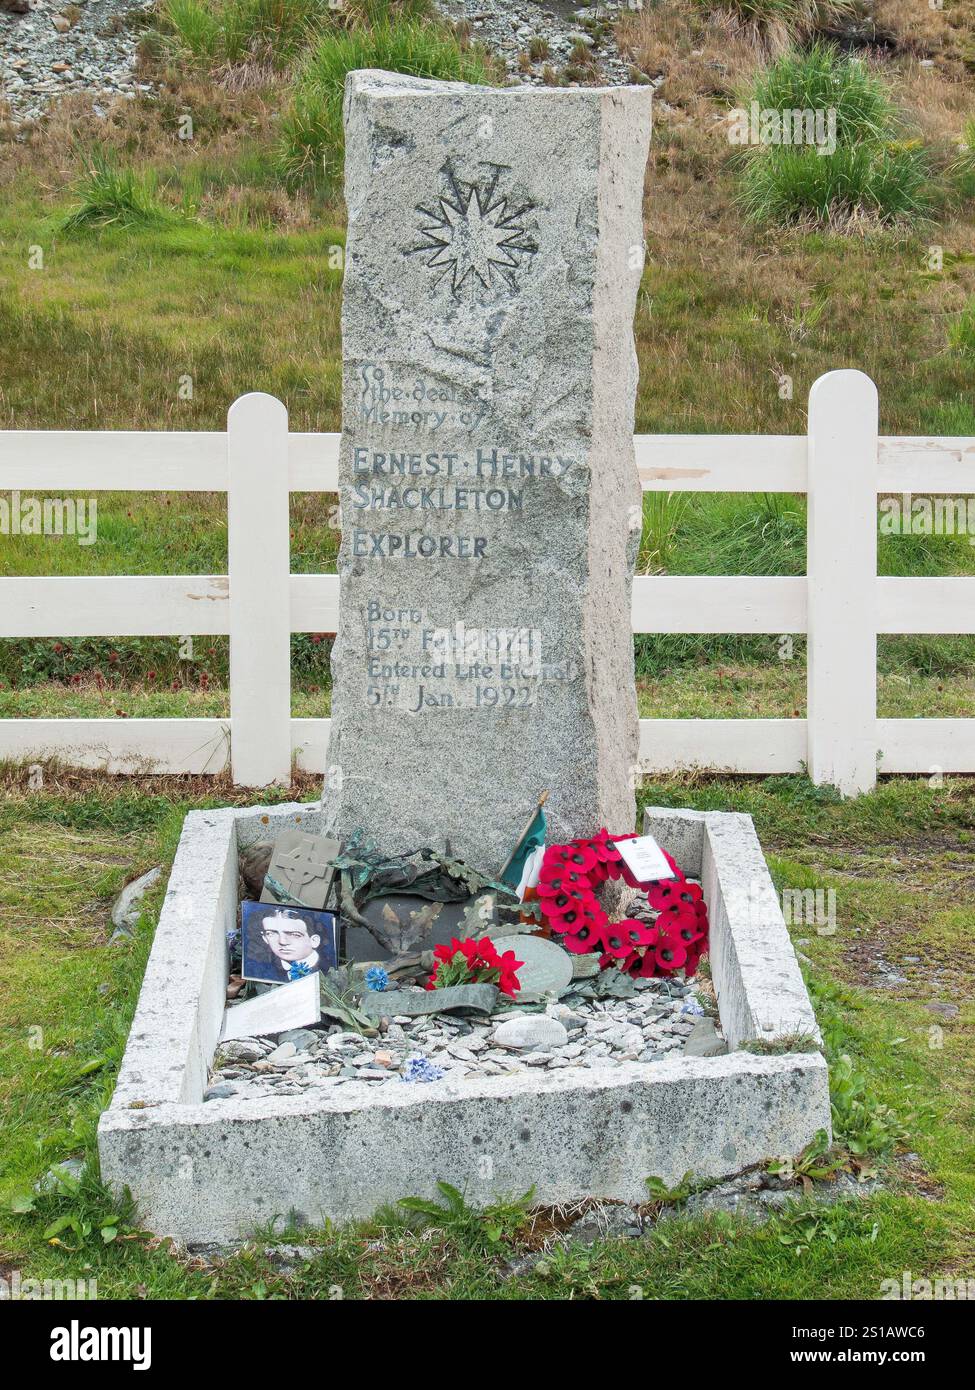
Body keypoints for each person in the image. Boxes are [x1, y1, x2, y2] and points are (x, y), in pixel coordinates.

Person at [246, 907, 324, 983]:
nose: (282, 942)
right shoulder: (260, 973)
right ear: (265, 938)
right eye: (271, 934)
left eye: (294, 934)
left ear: (314, 941)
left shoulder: (328, 969)